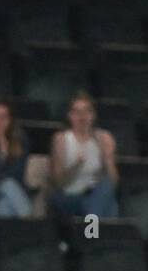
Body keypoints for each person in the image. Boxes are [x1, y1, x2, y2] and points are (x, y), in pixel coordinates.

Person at [49, 91, 119, 219]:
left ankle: (91, 234)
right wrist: (77, 165)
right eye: (77, 112)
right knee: (109, 206)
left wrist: (108, 159)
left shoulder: (104, 138)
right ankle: (96, 235)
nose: (82, 117)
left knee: (104, 192)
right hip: (69, 196)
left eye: (87, 111)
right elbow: (58, 183)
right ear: (69, 116)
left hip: (95, 195)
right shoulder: (61, 139)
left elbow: (114, 182)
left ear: (93, 115)